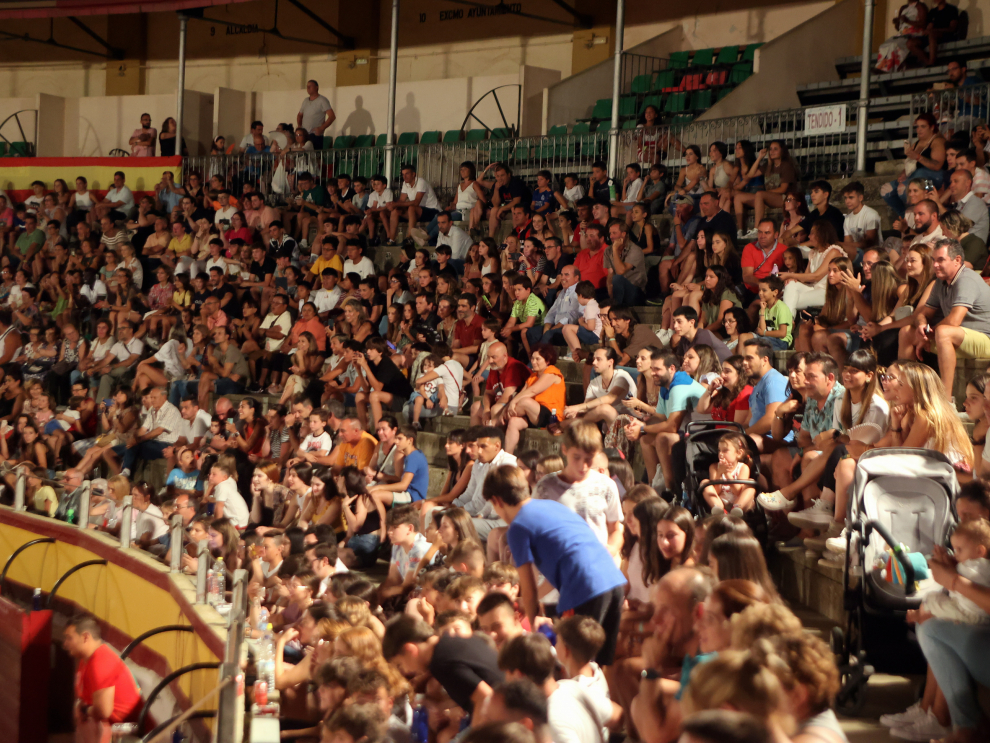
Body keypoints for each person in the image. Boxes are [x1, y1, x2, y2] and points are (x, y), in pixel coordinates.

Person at [482, 464, 627, 665]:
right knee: (600, 665)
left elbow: (528, 585)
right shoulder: (553, 506)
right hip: (613, 582)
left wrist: (532, 624)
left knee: (576, 663)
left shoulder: (518, 527)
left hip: (585, 590)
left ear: (496, 501)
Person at [907, 238, 990, 395]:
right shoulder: (941, 281)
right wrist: (921, 327)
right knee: (907, 332)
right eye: (933, 260)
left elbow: (954, 320)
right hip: (960, 338)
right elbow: (922, 314)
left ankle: (946, 399)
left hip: (985, 338)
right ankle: (908, 392)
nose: (935, 265)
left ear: (957, 260)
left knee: (943, 331)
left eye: (940, 260)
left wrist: (929, 333)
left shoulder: (966, 279)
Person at [532, 421, 623, 557]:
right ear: (564, 450)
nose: (583, 465)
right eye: (576, 457)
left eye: (589, 458)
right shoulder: (546, 487)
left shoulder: (606, 485)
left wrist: (612, 549)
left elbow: (615, 529)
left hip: (595, 566)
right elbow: (534, 529)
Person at [63, 614, 142, 739]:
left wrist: (84, 710)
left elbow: (103, 711)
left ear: (85, 637)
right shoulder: (86, 659)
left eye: (69, 638)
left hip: (124, 730)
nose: (65, 644)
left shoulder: (101, 662)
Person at [882, 114, 947, 217]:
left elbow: (937, 166)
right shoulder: (917, 143)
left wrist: (918, 157)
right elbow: (909, 164)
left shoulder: (938, 141)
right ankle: (905, 216)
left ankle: (918, 212)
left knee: (905, 188)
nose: (919, 130)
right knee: (886, 190)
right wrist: (903, 174)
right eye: (917, 126)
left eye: (923, 126)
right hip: (914, 178)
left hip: (932, 181)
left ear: (932, 127)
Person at [733, 141, 797, 237]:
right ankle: (740, 231)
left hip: (784, 198)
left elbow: (783, 189)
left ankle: (756, 229)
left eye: (775, 149)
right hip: (767, 197)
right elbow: (749, 176)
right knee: (738, 197)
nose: (772, 151)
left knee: (760, 194)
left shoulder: (786, 165)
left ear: (782, 151)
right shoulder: (768, 165)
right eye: (770, 149)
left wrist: (765, 193)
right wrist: (759, 158)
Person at [298, 79, 335, 149]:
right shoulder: (305, 101)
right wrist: (299, 126)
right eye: (307, 86)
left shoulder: (322, 100)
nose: (308, 88)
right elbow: (300, 115)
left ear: (316, 87)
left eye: (310, 86)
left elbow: (332, 116)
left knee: (315, 156)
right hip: (305, 135)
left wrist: (321, 128)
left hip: (315, 135)